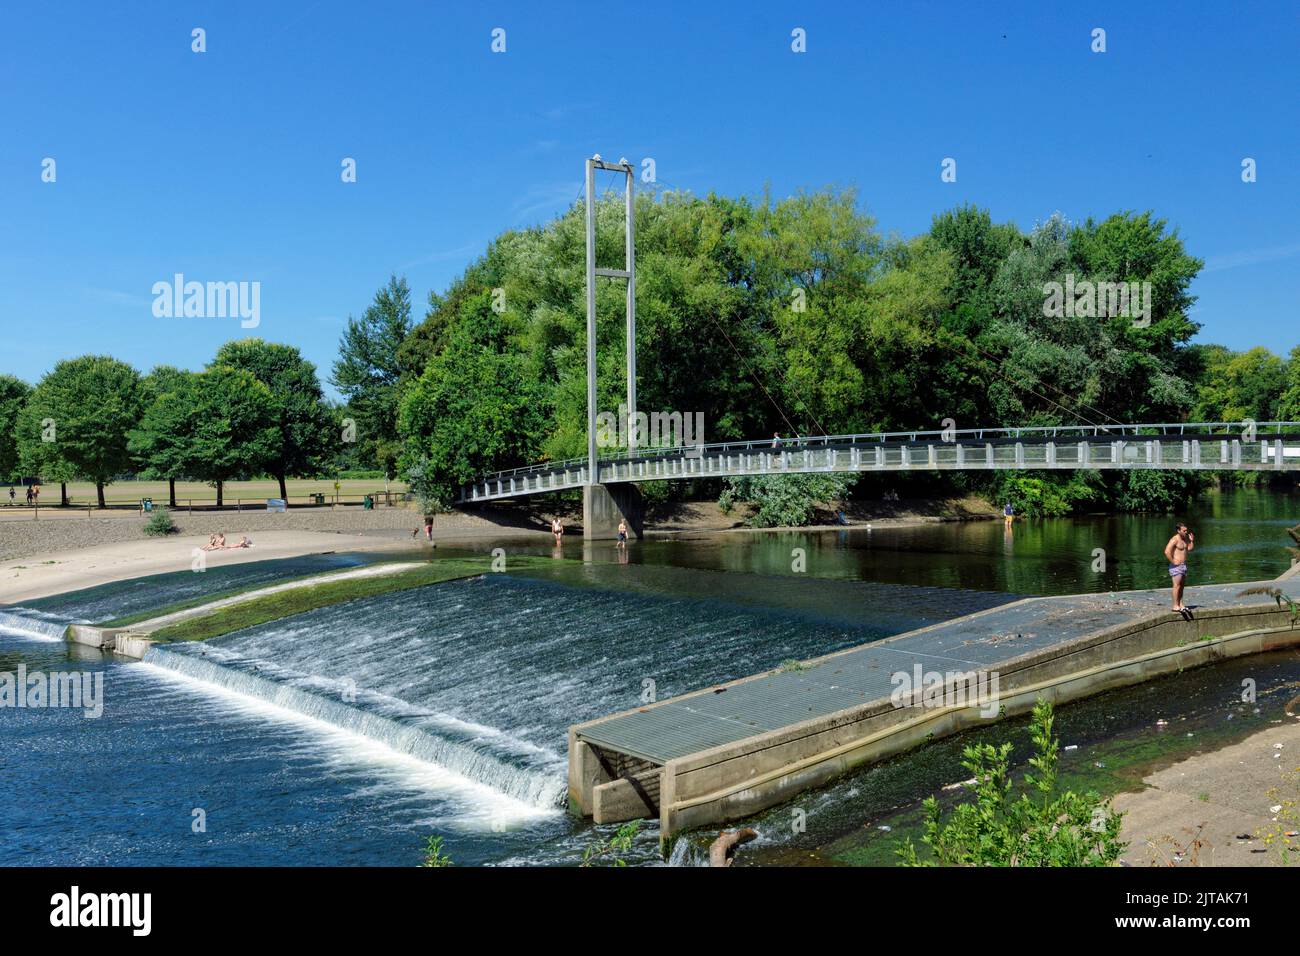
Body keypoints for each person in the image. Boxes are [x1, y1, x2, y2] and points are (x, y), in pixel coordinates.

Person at [1164, 522, 1195, 612]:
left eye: (1186, 530)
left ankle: (1181, 604)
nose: (1186, 532)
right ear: (1178, 530)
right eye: (1184, 530)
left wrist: (1192, 540)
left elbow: (1189, 549)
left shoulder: (1185, 538)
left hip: (1183, 566)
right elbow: (1166, 551)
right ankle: (1175, 605)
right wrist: (1173, 561)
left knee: (1182, 586)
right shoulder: (1174, 539)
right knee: (1176, 586)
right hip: (1176, 566)